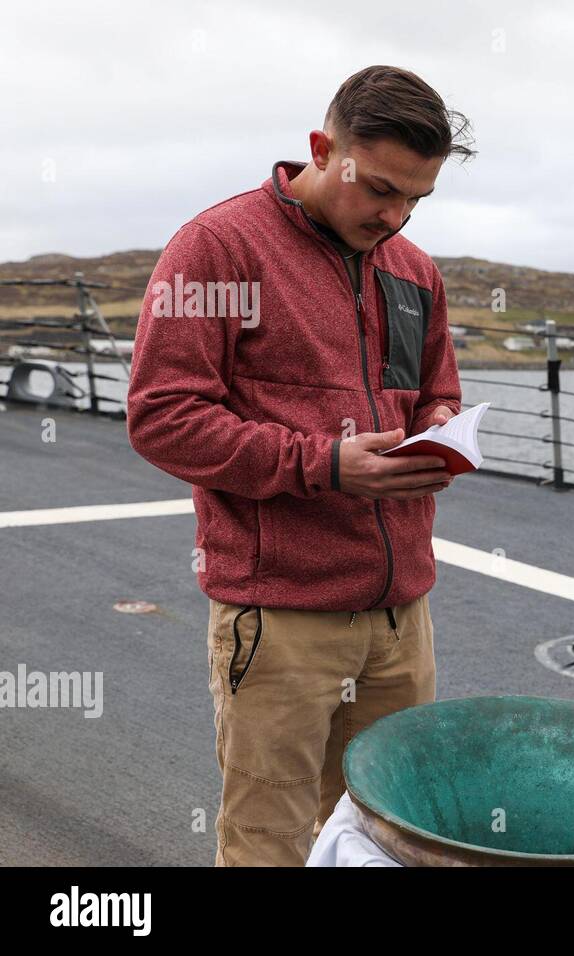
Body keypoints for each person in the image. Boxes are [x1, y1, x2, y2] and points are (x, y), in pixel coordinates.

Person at [127, 65, 474, 866]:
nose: (395, 217)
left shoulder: (412, 268)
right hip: (280, 618)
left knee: (394, 841)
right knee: (268, 845)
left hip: (401, 618)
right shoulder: (218, 248)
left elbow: (433, 391)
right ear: (324, 150)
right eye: (382, 190)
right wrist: (323, 463)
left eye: (417, 200)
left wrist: (443, 429)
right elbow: (162, 417)